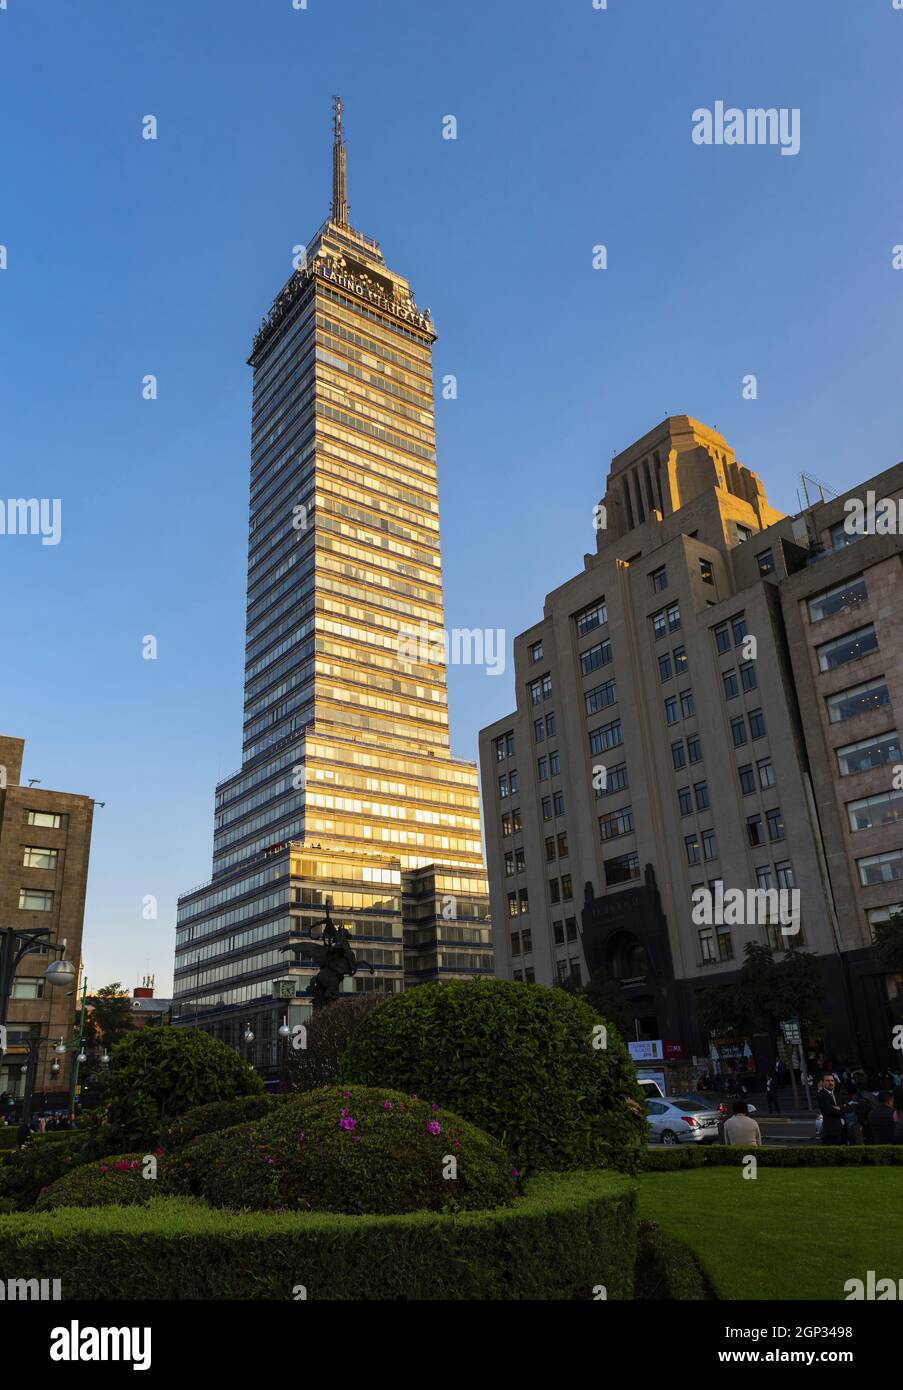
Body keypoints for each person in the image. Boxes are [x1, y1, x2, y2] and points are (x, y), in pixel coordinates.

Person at [816, 1074, 845, 1144]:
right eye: (827, 1081)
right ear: (823, 1082)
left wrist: (839, 1108)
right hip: (830, 1131)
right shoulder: (821, 1095)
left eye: (832, 1081)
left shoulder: (838, 1094)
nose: (830, 1083)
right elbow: (829, 1110)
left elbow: (847, 1108)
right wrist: (842, 1109)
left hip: (842, 1130)